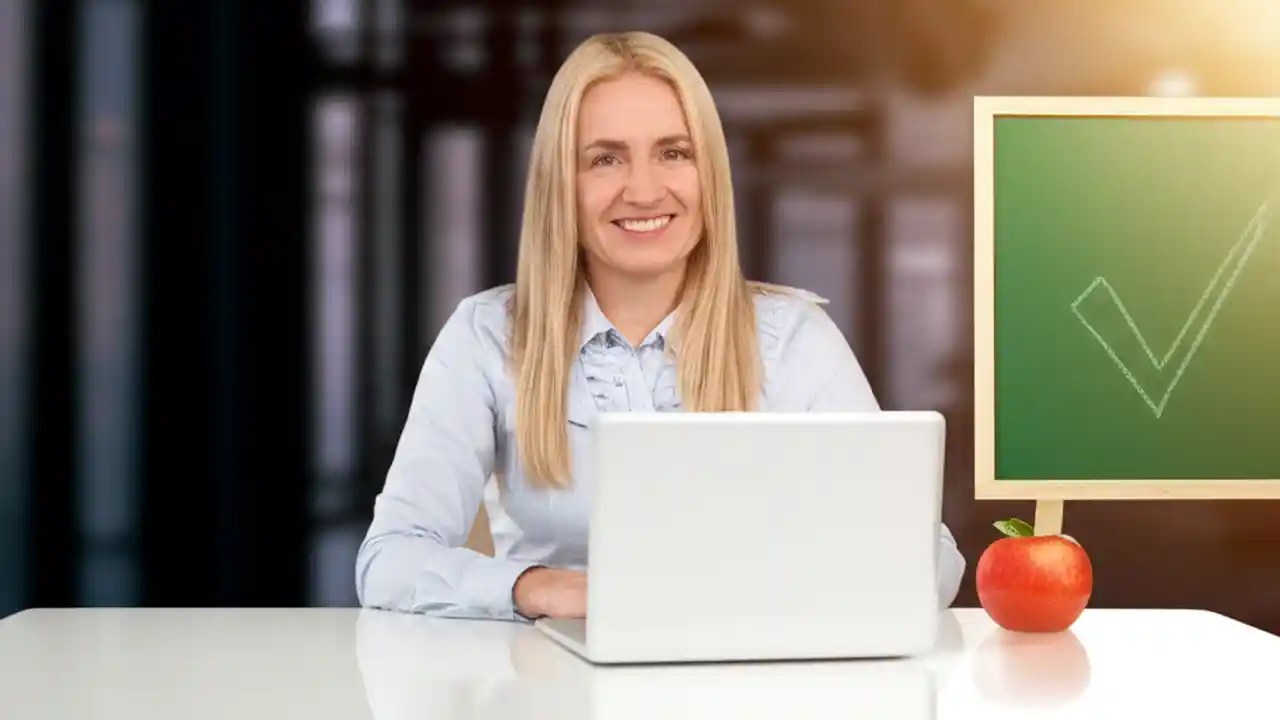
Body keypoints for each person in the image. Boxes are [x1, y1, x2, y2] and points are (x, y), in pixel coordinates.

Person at [355, 31, 965, 621]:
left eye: (673, 153)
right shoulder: (488, 336)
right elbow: (390, 560)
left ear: (709, 173)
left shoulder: (794, 340)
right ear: (560, 185)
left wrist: (782, 590)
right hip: (548, 670)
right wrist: (540, 589)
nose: (644, 191)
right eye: (605, 159)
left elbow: (930, 563)